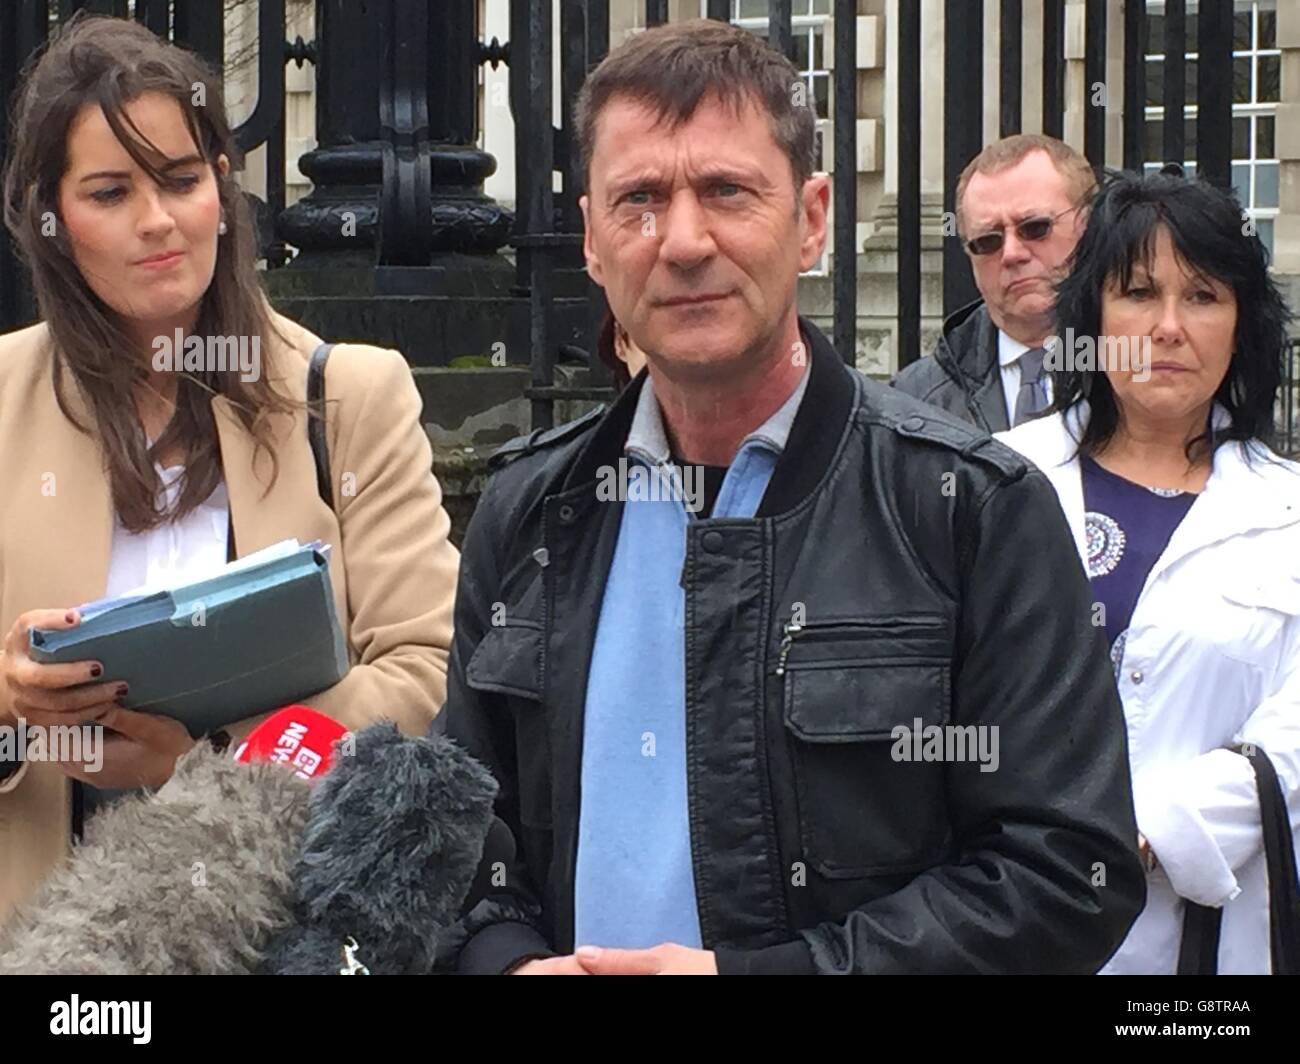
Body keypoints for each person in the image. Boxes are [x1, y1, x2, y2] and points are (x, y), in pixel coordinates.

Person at [443, 20, 1144, 976]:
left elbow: (1066, 875)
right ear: (592, 243)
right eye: (638, 199)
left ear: (812, 218)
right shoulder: (528, 509)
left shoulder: (970, 508)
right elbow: (458, 826)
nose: (683, 241)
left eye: (727, 192)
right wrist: (507, 961)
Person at [0, 15, 459, 924]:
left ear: (222, 185)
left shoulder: (350, 394)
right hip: (46, 935)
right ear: (53, 221)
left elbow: (428, 675)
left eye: (180, 179)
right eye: (108, 192)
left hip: (276, 915)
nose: (158, 221)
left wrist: (206, 757)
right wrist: (13, 703)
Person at [996, 169, 1300, 974]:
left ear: (1242, 325)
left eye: (1202, 296)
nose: (1167, 327)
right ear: (1093, 314)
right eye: (1137, 293)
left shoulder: (1291, 513)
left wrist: (1155, 831)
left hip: (1202, 945)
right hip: (1004, 919)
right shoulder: (994, 478)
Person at [893, 134, 1094, 432]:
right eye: (988, 241)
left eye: (1035, 228)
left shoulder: (1144, 368)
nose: (1012, 254)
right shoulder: (915, 401)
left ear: (1089, 225)